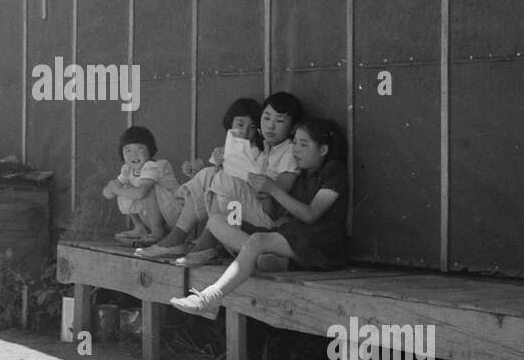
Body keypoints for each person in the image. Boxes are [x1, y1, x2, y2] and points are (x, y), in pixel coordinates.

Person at [170, 117, 348, 317]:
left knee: (257, 240)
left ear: (323, 150)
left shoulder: (335, 172)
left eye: (303, 145)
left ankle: (211, 297)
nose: (296, 149)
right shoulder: (305, 172)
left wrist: (272, 189)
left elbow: (311, 214)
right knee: (216, 221)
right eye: (295, 143)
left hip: (320, 244)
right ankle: (264, 259)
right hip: (294, 237)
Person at [136, 97, 266, 258]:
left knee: (213, 175)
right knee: (208, 173)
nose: (245, 132)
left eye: (252, 127)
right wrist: (199, 170)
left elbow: (243, 185)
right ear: (230, 124)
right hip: (226, 211)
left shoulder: (256, 154)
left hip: (244, 216)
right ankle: (179, 238)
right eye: (240, 125)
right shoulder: (221, 151)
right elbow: (214, 183)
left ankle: (200, 241)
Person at [102, 126, 182, 244]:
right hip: (157, 217)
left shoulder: (154, 166)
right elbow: (108, 193)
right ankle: (140, 228)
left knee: (144, 189)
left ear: (150, 150)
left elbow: (141, 193)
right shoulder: (127, 169)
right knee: (126, 188)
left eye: (139, 149)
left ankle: (157, 231)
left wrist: (116, 189)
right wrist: (112, 189)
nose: (133, 154)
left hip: (175, 217)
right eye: (128, 150)